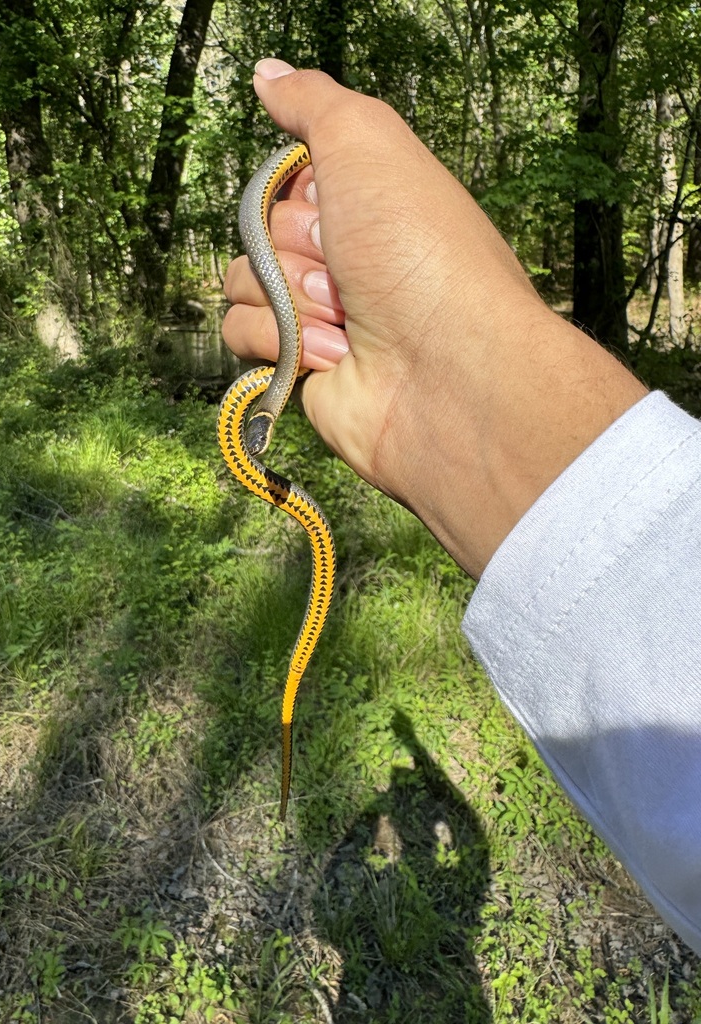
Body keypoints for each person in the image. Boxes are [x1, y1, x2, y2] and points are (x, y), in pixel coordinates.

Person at [222, 59, 701, 955]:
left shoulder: (281, 375)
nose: (258, 436)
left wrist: (452, 336)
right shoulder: (279, 384)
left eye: (259, 431)